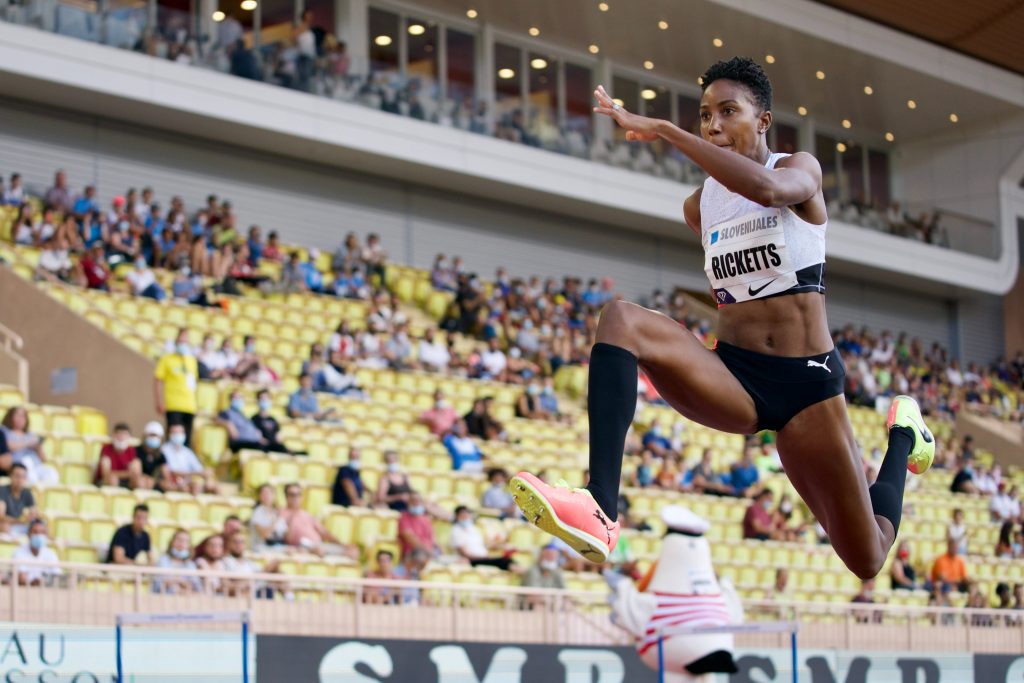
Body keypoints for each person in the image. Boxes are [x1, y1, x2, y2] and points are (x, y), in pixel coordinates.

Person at [509, 58, 935, 577]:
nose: (711, 124)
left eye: (728, 111)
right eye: (704, 115)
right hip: (734, 373)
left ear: (763, 121)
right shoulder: (699, 207)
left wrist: (664, 130)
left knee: (868, 556)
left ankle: (905, 435)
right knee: (620, 319)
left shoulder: (797, 170)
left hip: (807, 387)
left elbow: (769, 193)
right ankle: (600, 506)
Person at [280, 483, 354, 557]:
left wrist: (342, 545)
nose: (295, 498)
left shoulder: (306, 514)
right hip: (302, 547)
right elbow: (287, 539)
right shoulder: (282, 513)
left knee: (352, 551)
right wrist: (292, 519)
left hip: (318, 545)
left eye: (298, 494)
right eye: (292, 495)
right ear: (287, 496)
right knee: (319, 550)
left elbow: (324, 532)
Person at [154, 329, 199, 445]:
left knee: (186, 441)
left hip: (189, 406)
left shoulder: (192, 361)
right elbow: (158, 380)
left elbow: (193, 384)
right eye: (181, 341)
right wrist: (159, 401)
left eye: (185, 341)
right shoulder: (167, 359)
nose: (183, 344)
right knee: (172, 439)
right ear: (176, 341)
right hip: (173, 405)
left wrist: (196, 404)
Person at [1, 406, 58, 485]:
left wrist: (38, 446)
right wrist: (27, 444)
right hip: (20, 464)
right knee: (30, 475)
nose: (21, 419)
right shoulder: (4, 431)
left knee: (52, 473)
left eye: (23, 416)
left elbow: (43, 459)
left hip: (35, 464)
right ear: (10, 417)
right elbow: (6, 446)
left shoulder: (30, 435)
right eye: (18, 415)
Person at [450, 506, 515, 570]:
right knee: (503, 562)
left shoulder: (473, 529)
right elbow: (465, 554)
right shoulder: (456, 531)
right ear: (457, 517)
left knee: (508, 560)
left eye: (467, 515)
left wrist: (501, 544)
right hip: (473, 560)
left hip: (483, 557)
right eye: (462, 516)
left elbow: (484, 545)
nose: (465, 517)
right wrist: (485, 558)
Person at [160, 424, 218, 494]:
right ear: (169, 434)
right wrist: (197, 473)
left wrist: (207, 474)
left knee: (211, 485)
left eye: (180, 433)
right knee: (190, 488)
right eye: (175, 433)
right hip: (173, 482)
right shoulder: (164, 449)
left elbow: (199, 469)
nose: (178, 435)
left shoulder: (187, 451)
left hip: (187, 481)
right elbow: (172, 471)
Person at [13, 519, 60, 586]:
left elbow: (56, 577)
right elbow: (21, 579)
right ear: (28, 534)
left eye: (41, 532)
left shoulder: (51, 554)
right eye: (35, 532)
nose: (38, 535)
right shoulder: (19, 552)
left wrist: (43, 582)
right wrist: (35, 583)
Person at [154, 529, 202, 594]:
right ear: (172, 542)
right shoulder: (163, 560)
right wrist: (181, 583)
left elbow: (196, 587)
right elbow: (160, 585)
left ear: (189, 545)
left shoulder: (190, 564)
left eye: (186, 541)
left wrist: (178, 582)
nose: (181, 543)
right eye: (179, 539)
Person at [95, 422, 142, 488]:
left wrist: (117, 474)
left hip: (125, 482)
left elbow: (136, 474)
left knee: (139, 482)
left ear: (129, 437)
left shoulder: (131, 451)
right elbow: (106, 474)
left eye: (124, 434)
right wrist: (128, 473)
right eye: (118, 434)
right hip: (105, 482)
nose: (121, 437)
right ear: (113, 435)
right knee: (113, 479)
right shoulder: (106, 449)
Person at [397, 492, 439, 559]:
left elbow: (433, 538)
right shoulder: (404, 518)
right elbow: (411, 539)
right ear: (409, 502)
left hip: (429, 552)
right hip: (414, 553)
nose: (416, 502)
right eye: (413, 500)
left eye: (418, 500)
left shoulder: (426, 518)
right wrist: (429, 552)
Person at [249, 483, 288, 552]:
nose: (266, 495)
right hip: (261, 548)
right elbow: (265, 535)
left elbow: (284, 534)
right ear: (259, 496)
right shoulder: (257, 512)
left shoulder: (276, 512)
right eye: (263, 493)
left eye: (269, 493)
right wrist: (276, 519)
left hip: (278, 545)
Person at [0, 464, 37, 535]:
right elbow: (1, 515)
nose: (20, 480)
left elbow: (33, 513)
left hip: (18, 525)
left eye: (23, 477)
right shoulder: (2, 490)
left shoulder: (27, 493)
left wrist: (30, 517)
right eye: (17, 476)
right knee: (4, 526)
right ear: (10, 476)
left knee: (38, 528)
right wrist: (19, 521)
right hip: (6, 525)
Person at [136, 421, 169, 490]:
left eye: (156, 436)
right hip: (139, 480)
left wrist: (155, 480)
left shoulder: (161, 455)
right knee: (141, 482)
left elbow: (166, 474)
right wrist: (146, 478)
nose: (154, 438)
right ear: (145, 436)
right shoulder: (137, 451)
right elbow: (135, 471)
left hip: (154, 481)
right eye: (151, 435)